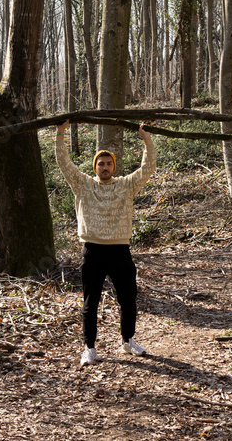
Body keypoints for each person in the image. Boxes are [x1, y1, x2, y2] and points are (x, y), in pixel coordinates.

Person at [55, 120, 156, 367]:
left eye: (109, 163)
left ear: (114, 165)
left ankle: (128, 340)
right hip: (93, 250)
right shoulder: (83, 184)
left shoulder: (126, 185)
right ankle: (89, 348)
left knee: (129, 299)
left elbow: (148, 168)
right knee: (91, 303)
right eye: (101, 164)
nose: (105, 167)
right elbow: (64, 164)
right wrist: (59, 133)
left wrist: (147, 139)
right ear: (95, 167)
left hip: (120, 250)